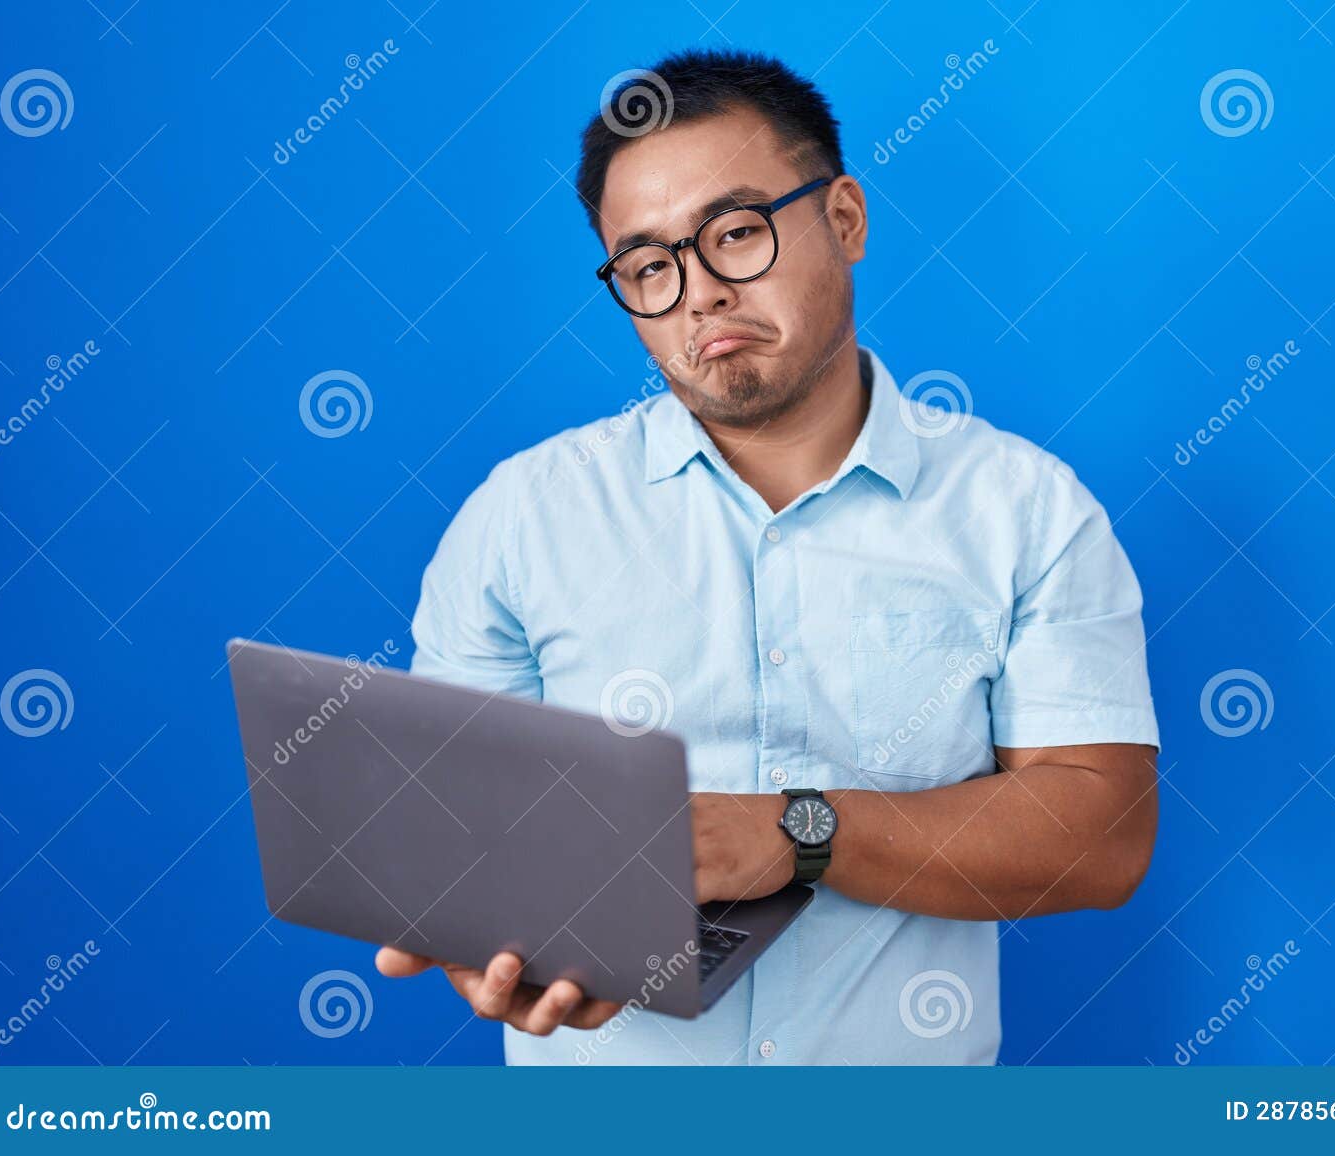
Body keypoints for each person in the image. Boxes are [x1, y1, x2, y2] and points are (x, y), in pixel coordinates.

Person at [376, 47, 1159, 1065]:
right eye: (649, 266)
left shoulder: (1025, 509)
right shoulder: (522, 516)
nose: (696, 295)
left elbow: (1099, 835)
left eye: (735, 233)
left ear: (843, 220)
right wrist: (485, 944)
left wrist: (796, 832)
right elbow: (461, 829)